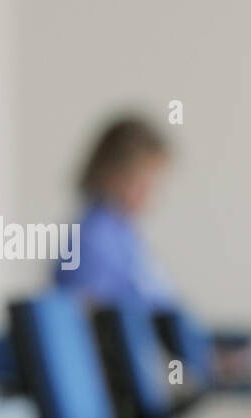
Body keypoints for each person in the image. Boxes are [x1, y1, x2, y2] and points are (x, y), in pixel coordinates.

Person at [55, 116, 177, 309]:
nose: (150, 193)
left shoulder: (123, 234)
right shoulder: (93, 238)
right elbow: (94, 319)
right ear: (113, 173)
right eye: (144, 182)